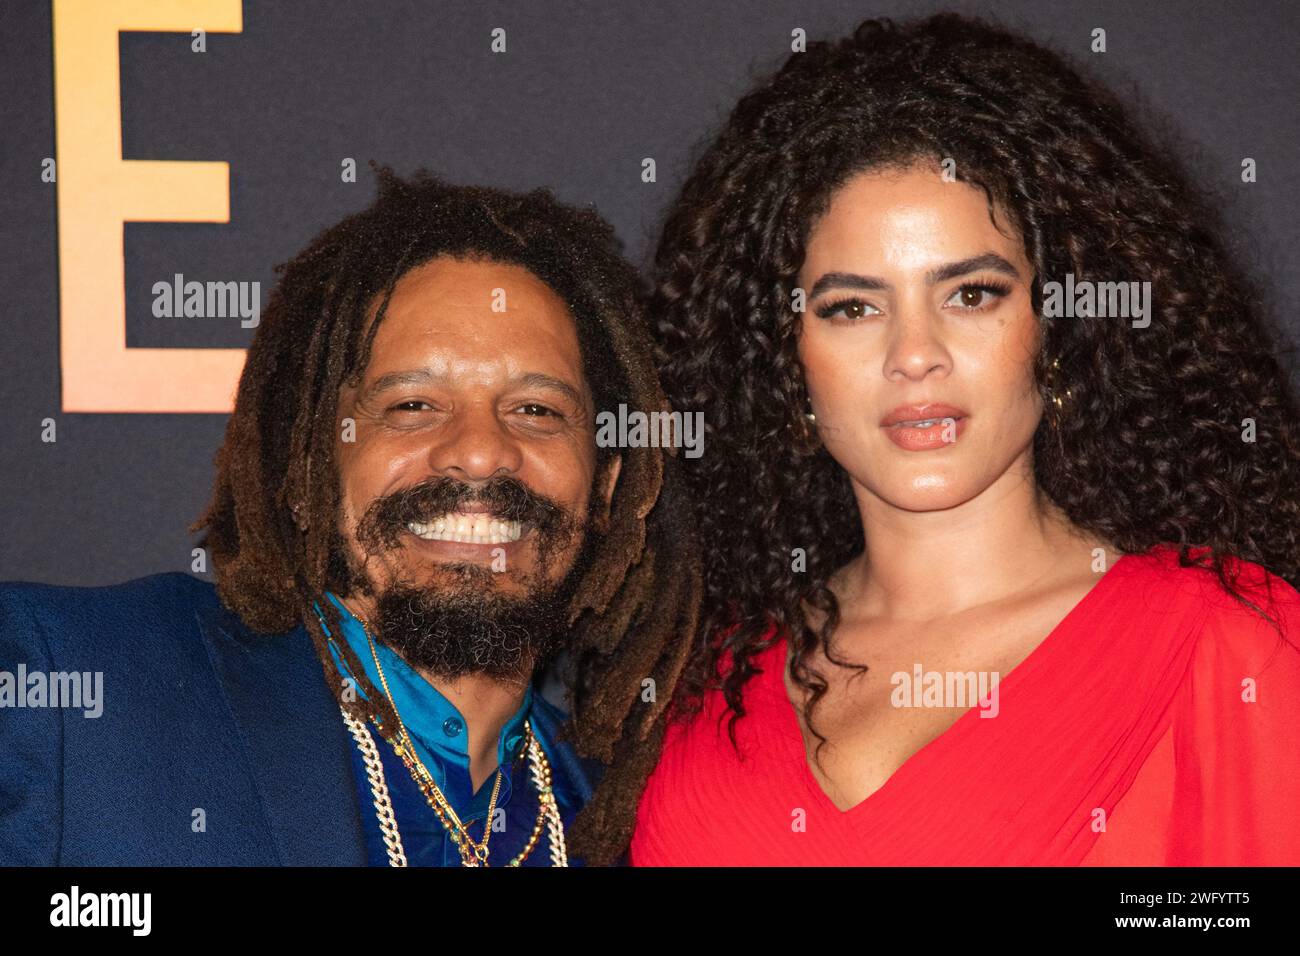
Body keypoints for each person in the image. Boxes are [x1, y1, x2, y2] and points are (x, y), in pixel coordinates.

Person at [630, 13, 1300, 865]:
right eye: (851, 307)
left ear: (1060, 324)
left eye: (972, 294)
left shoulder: (1230, 647)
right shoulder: (700, 684)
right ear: (782, 359)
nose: (915, 355)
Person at [0, 168, 700, 866]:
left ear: (609, 491)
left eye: (537, 411)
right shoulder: (72, 693)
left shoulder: (636, 825)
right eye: (413, 406)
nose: (482, 453)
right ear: (309, 468)